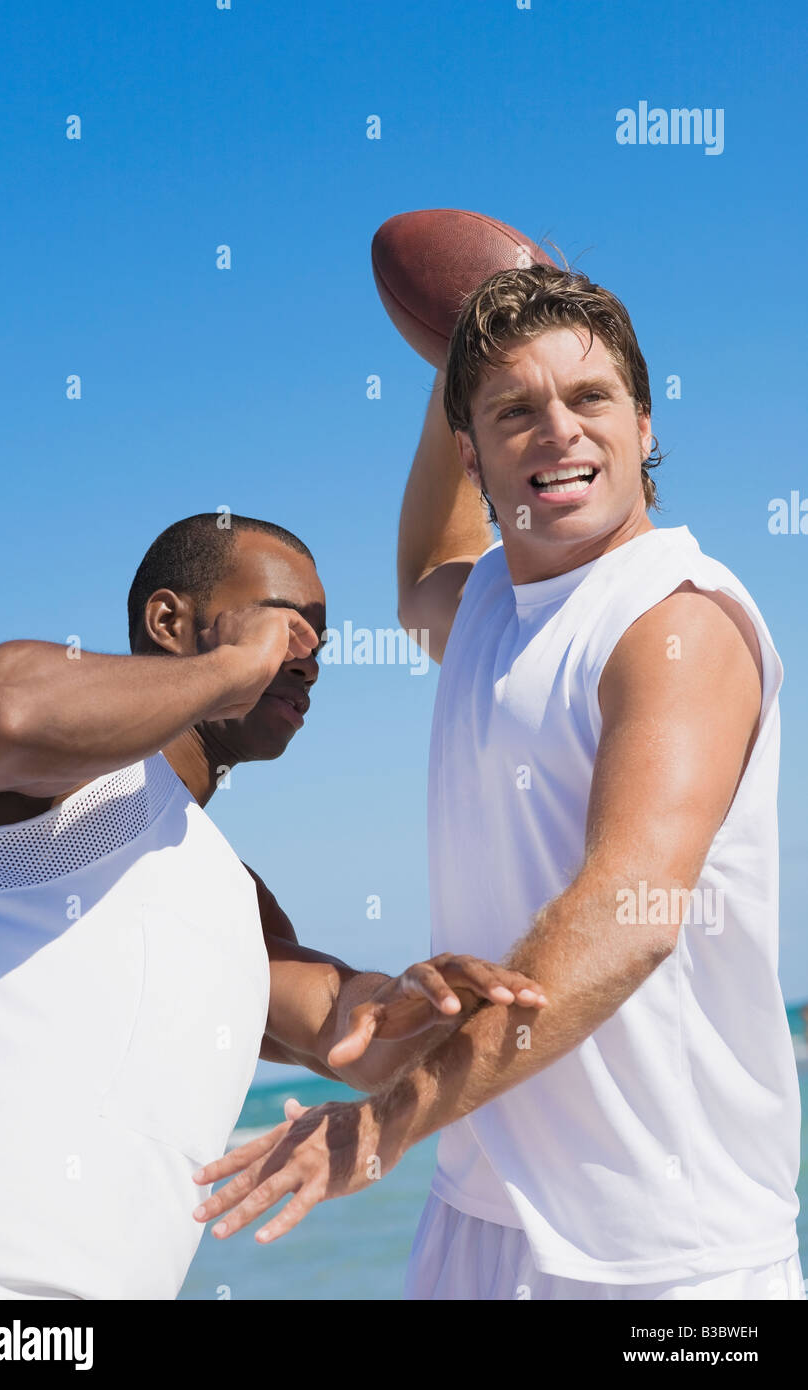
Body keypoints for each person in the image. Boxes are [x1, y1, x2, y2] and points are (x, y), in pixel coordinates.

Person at [193, 267, 805, 1302]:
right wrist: (454, 349)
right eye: (515, 411)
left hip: (667, 1252)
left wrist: (383, 1127)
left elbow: (628, 916)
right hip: (480, 1209)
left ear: (643, 426)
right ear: (470, 452)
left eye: (589, 397)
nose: (558, 430)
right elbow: (422, 572)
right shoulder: (484, 603)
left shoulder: (674, 619)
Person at [0, 511, 546, 1301]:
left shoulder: (232, 894)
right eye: (286, 626)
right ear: (169, 622)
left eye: (320, 645)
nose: (308, 660)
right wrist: (233, 668)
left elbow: (349, 1030)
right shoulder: (56, 784)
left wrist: (422, 1001)